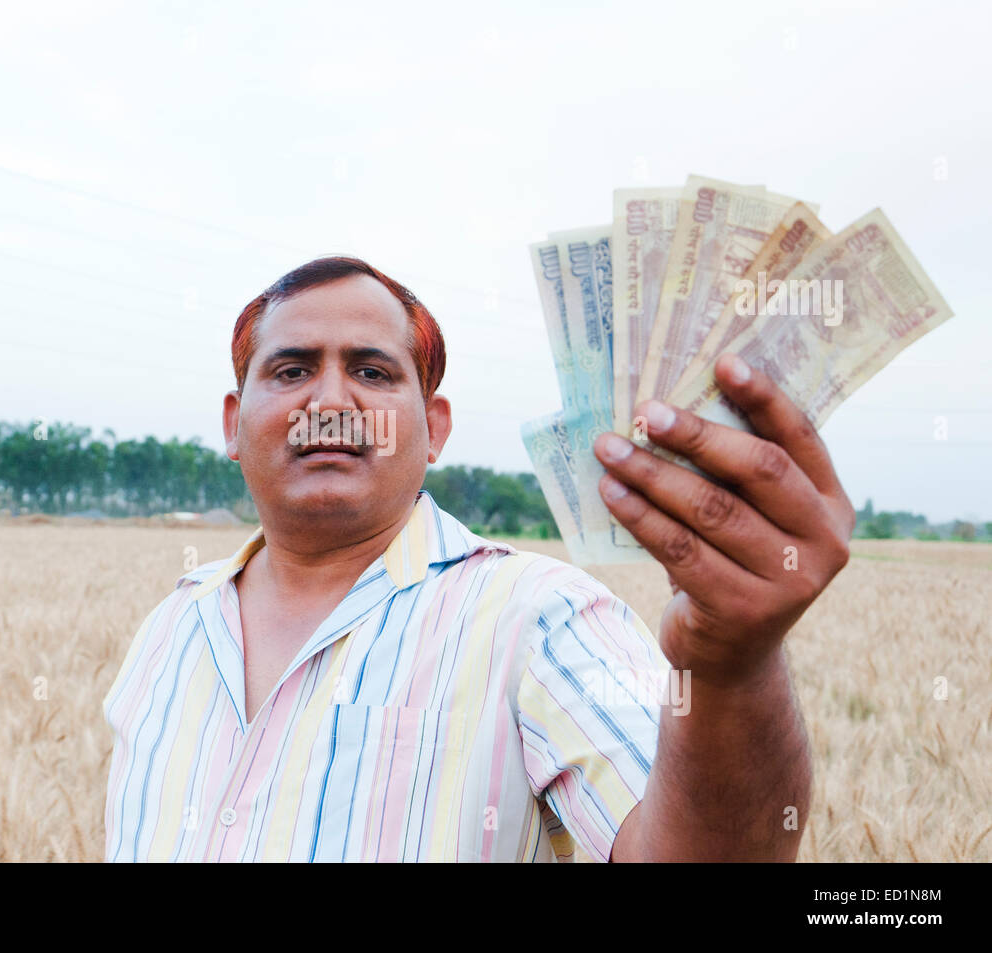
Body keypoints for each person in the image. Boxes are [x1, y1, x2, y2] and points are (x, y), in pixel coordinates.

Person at [102, 256, 853, 862]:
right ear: (235, 424)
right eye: (291, 370)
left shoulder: (544, 618)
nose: (329, 400)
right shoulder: (172, 626)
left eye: (371, 372)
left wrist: (731, 666)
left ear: (434, 429)